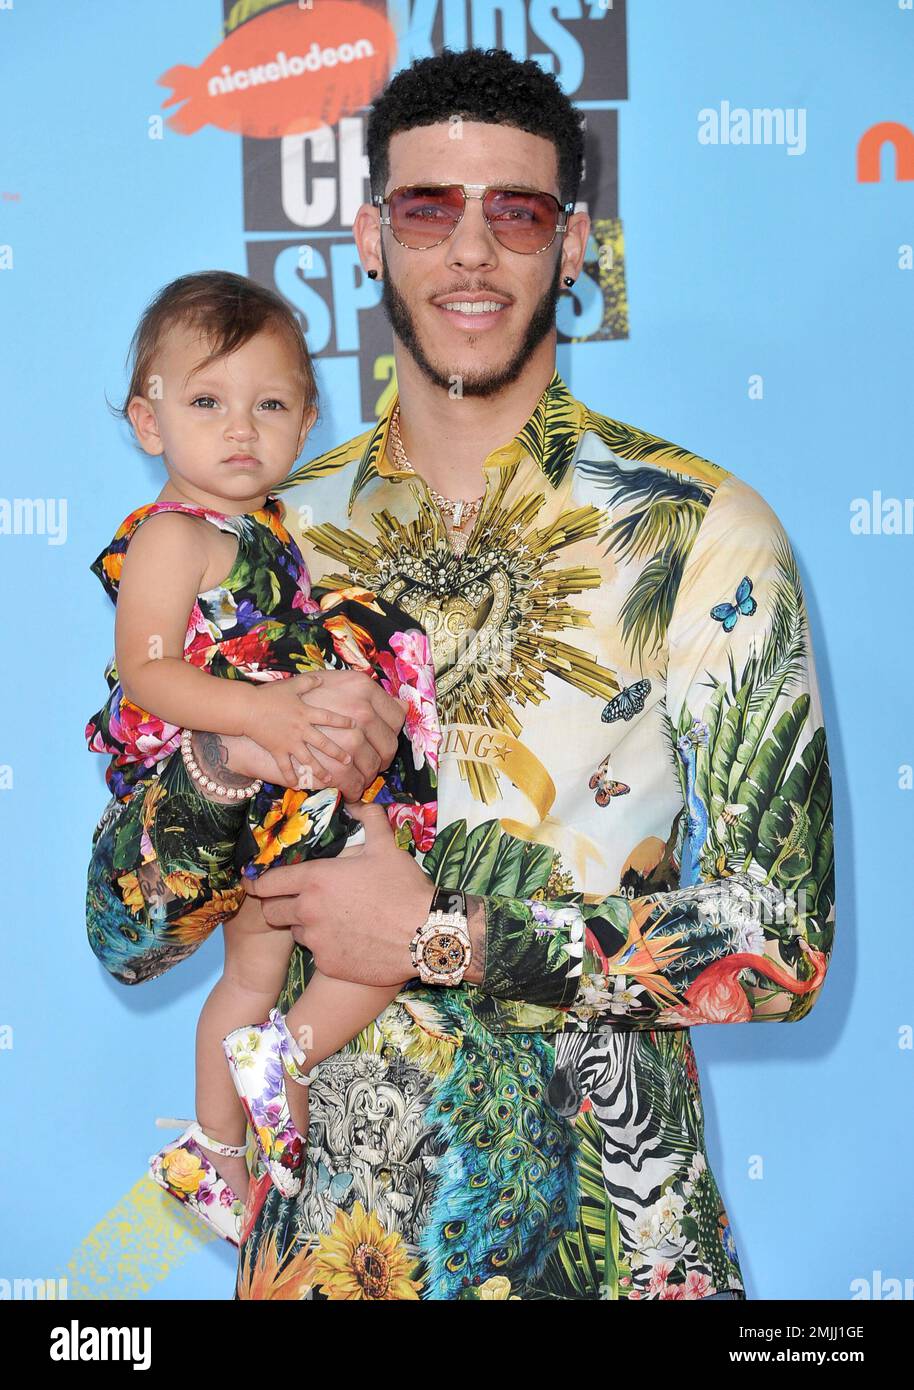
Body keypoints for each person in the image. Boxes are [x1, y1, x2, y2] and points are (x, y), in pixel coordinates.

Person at [86, 48, 835, 1301]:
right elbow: (123, 930)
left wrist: (443, 937)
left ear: (575, 242)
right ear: (371, 237)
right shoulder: (255, 532)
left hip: (609, 1250)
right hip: (322, 1256)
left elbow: (784, 945)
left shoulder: (701, 529)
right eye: (429, 207)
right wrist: (229, 753)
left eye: (519, 210)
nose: (472, 250)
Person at [84, 271, 439, 1244]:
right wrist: (259, 720)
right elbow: (147, 675)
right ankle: (277, 1065)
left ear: (307, 420)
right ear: (148, 422)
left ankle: (216, 1142)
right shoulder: (175, 534)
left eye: (269, 405)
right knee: (396, 935)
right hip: (228, 788)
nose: (240, 429)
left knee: (255, 973)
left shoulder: (271, 531)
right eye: (206, 403)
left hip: (276, 788)